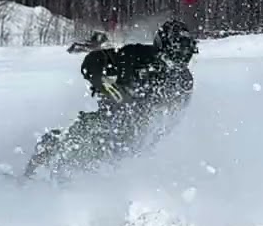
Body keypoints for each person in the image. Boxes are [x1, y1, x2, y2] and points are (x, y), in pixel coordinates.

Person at [24, 19, 199, 178]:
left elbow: (172, 121)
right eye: (177, 50)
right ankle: (33, 176)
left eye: (185, 51)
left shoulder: (184, 81)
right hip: (108, 124)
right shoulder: (136, 55)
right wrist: (113, 91)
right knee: (76, 140)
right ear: (163, 45)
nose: (179, 58)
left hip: (139, 142)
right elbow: (92, 62)